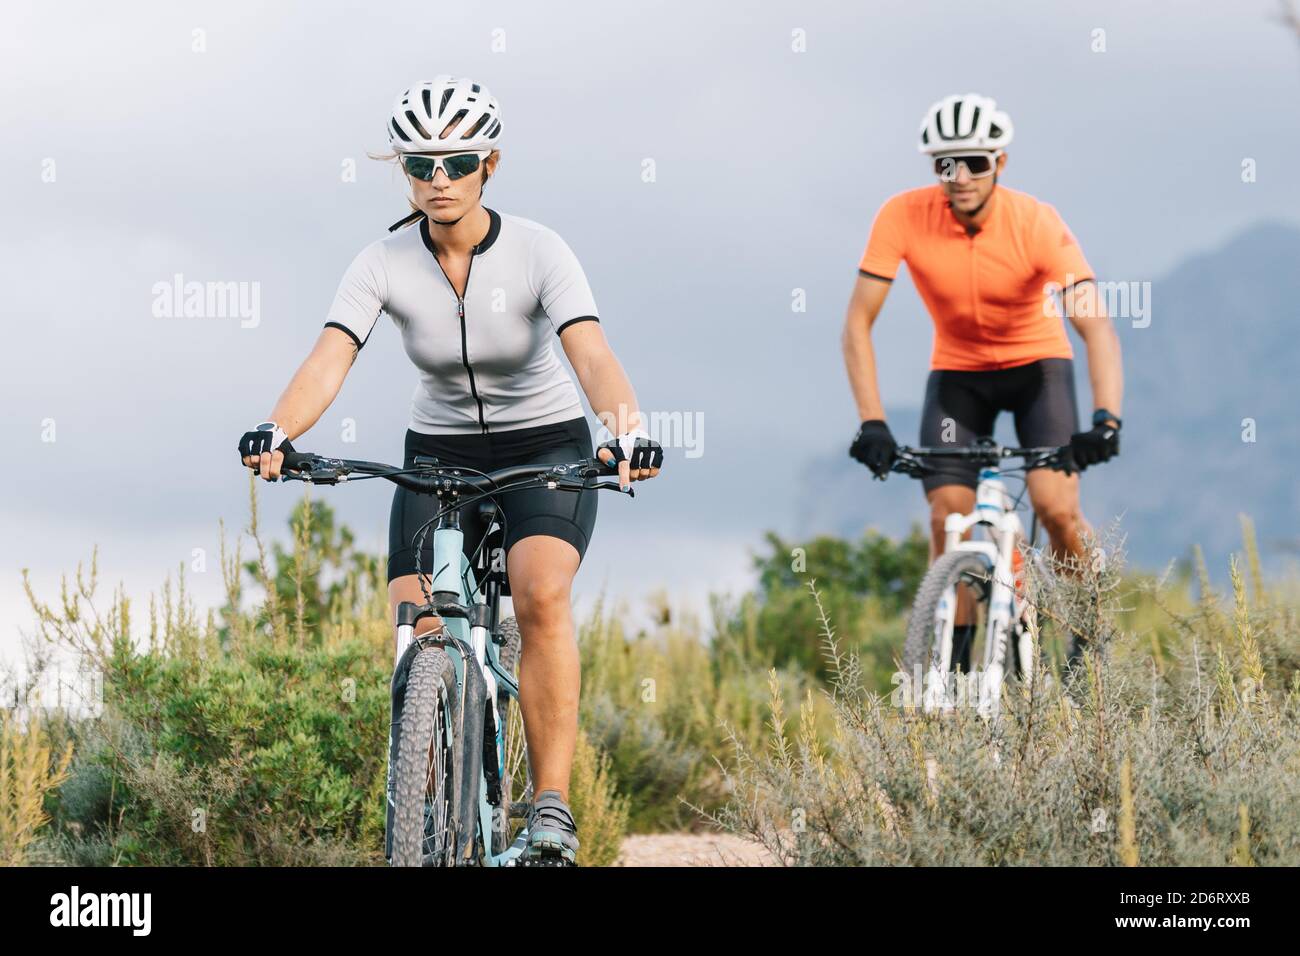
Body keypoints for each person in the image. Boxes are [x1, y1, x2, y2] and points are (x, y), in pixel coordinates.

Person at [238, 75, 663, 864]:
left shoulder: (541, 250)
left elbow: (591, 353)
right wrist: (278, 428)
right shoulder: (382, 262)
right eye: (420, 165)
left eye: (457, 162)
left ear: (489, 164)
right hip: (437, 454)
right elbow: (330, 357)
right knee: (415, 621)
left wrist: (627, 431)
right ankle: (425, 813)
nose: (438, 180)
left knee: (538, 595)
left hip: (545, 447)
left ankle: (550, 810)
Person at [842, 93, 1122, 663]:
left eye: (975, 162)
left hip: (1036, 369)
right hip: (959, 376)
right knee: (948, 511)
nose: (960, 176)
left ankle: (1090, 634)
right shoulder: (901, 215)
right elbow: (857, 324)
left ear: (1001, 163)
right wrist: (872, 422)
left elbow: (1097, 329)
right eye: (946, 164)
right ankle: (951, 653)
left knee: (1055, 507)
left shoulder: (1036, 223)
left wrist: (1105, 420)